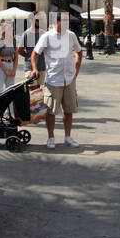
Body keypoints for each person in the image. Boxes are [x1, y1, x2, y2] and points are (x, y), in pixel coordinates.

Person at [33, 13, 83, 147]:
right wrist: (35, 69)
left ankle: (68, 136)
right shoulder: (47, 36)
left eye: (68, 21)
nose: (67, 24)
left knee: (69, 109)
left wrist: (76, 69)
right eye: (64, 21)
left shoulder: (71, 35)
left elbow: (79, 51)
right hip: (54, 79)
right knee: (51, 110)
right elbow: (35, 54)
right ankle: (51, 137)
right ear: (57, 21)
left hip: (69, 78)